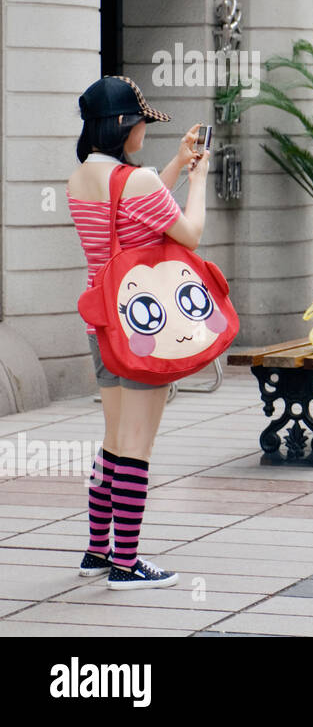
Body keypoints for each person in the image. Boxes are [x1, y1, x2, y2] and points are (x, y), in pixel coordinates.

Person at [67, 76, 210, 590]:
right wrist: (196, 182)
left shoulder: (82, 176)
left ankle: (97, 551)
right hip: (142, 328)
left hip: (101, 323)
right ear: (124, 125)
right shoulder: (138, 182)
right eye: (142, 121)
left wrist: (173, 163)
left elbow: (130, 209)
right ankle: (127, 564)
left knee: (112, 439)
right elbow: (188, 233)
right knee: (136, 445)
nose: (145, 129)